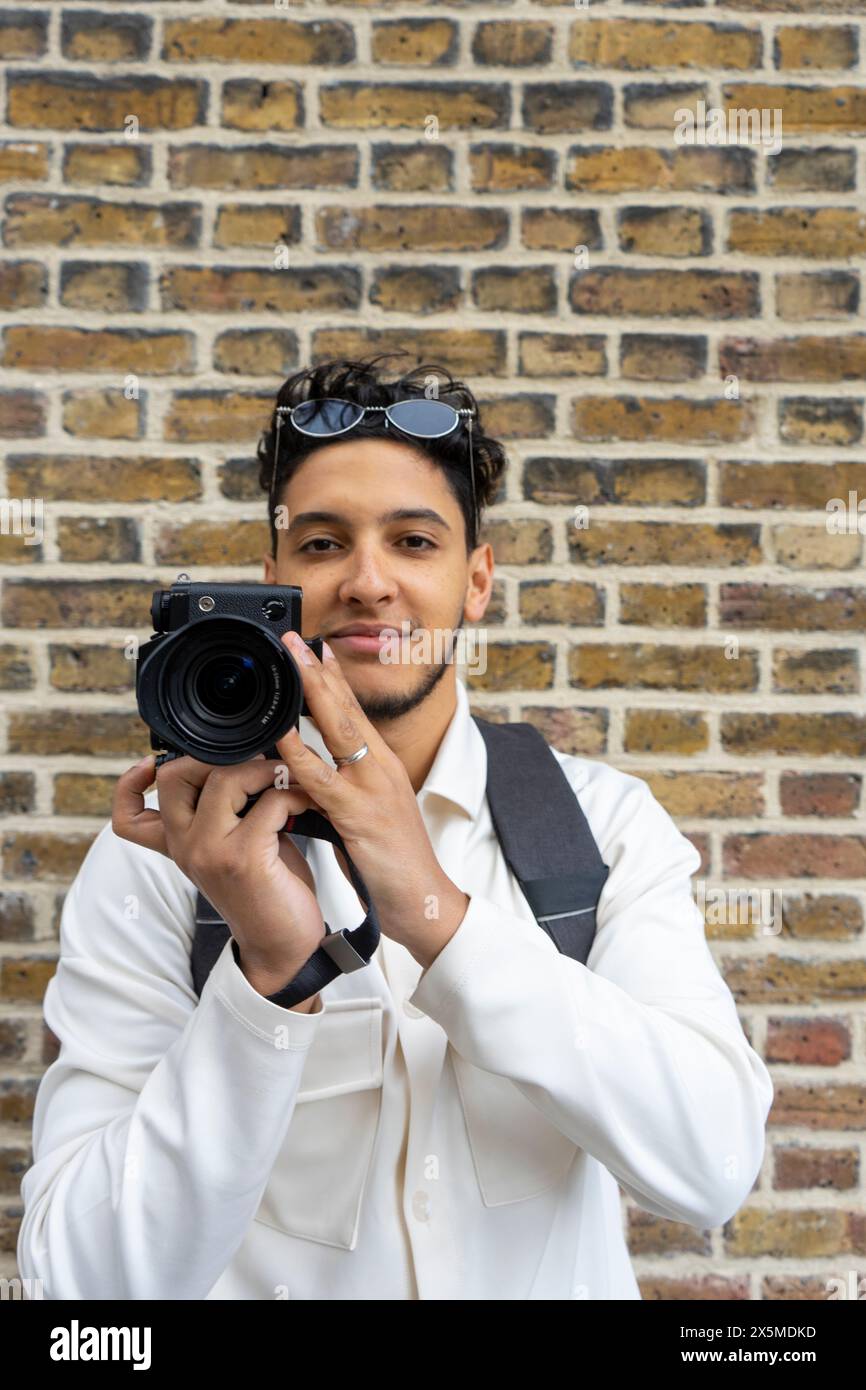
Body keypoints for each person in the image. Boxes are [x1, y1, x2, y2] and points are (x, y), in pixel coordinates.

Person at [17, 352, 774, 1300]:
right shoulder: (170, 859)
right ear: (275, 584)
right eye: (324, 544)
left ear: (478, 581)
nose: (369, 584)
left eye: (415, 542)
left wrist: (437, 914)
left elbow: (710, 1170)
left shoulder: (601, 826)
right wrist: (265, 978)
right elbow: (81, 1291)